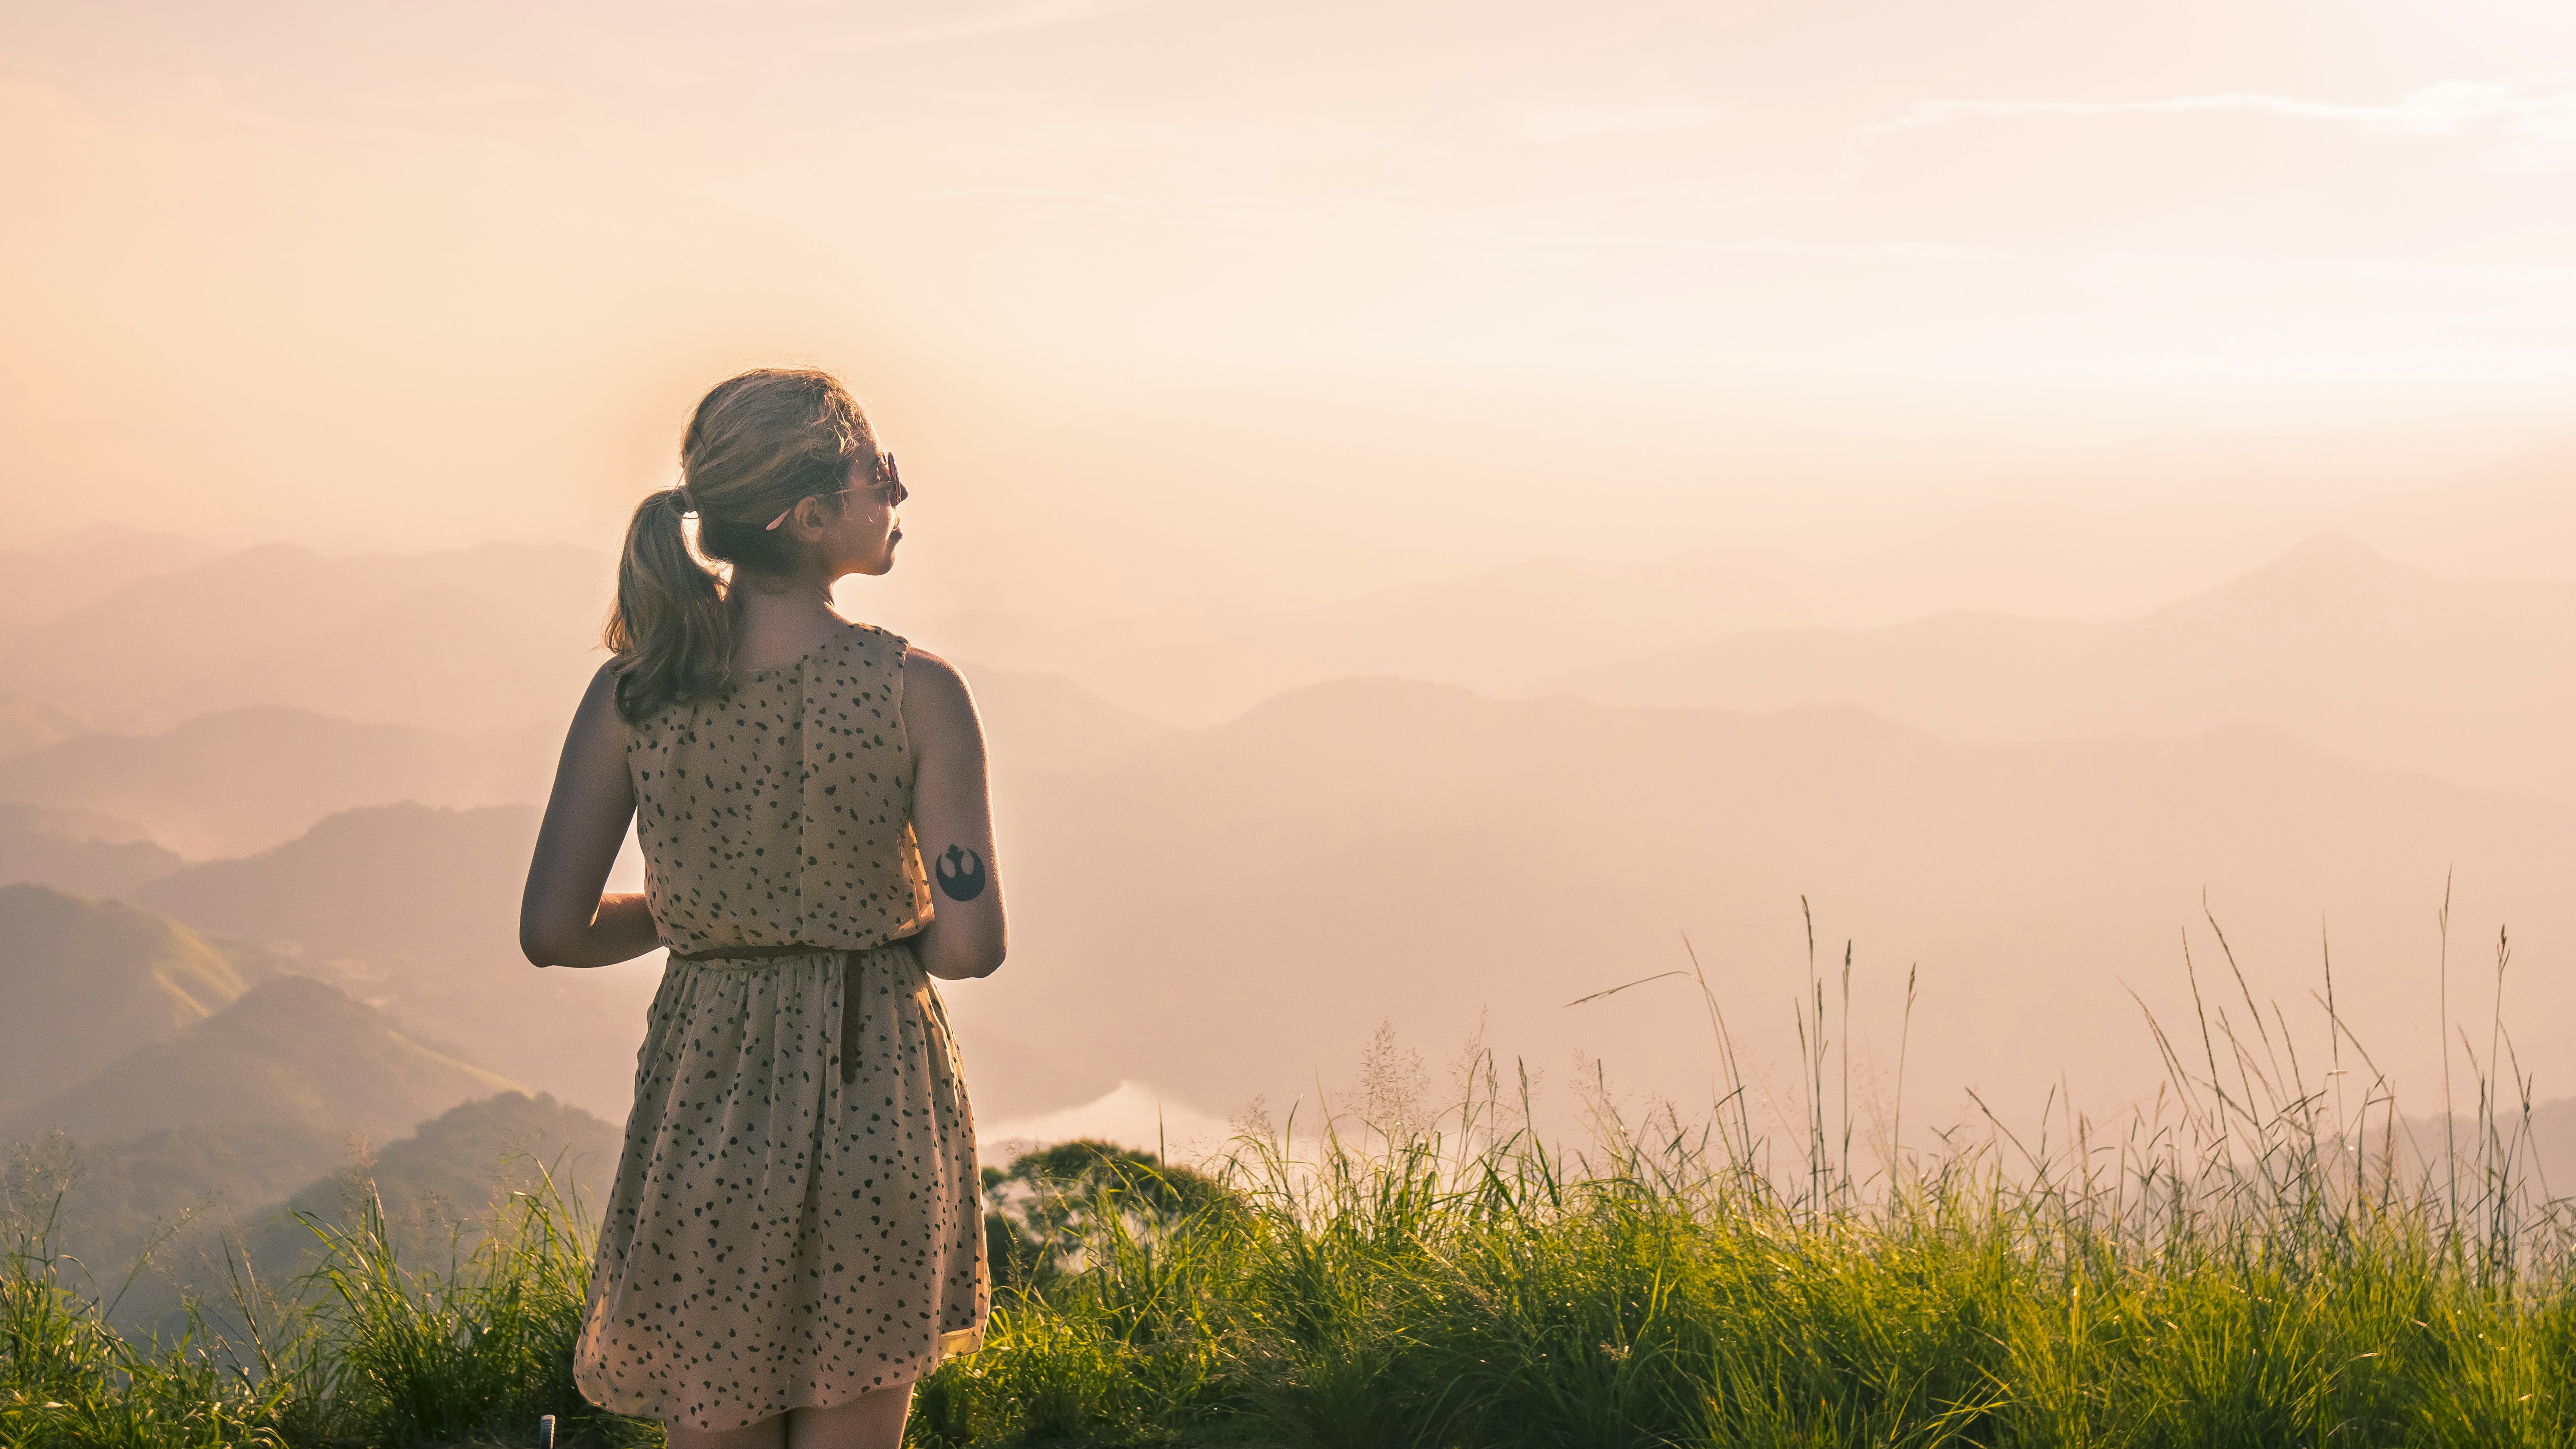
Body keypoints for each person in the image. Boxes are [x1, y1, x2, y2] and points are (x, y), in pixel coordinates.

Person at [519, 367, 1003, 1449]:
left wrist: (704, 914)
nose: (899, 491)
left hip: (711, 1099)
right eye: (880, 470)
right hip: (875, 1080)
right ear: (809, 512)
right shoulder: (916, 690)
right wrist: (857, 916)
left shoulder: (634, 694)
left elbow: (554, 930)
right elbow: (971, 945)